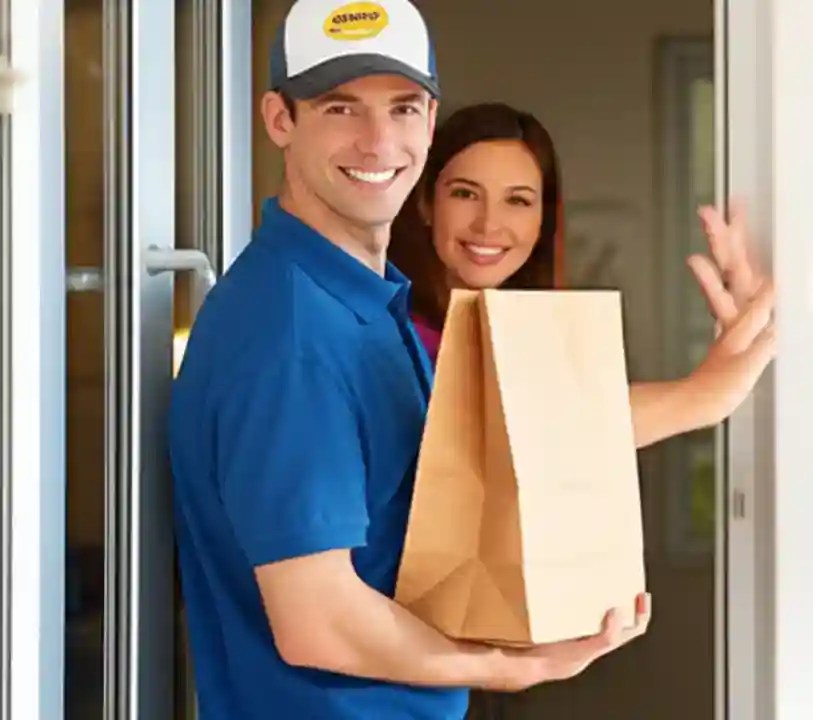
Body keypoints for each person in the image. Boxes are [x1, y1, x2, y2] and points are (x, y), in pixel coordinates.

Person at [169, 3, 648, 719]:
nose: (377, 140)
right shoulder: (290, 334)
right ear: (279, 119)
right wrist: (509, 668)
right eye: (340, 107)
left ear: (429, 121)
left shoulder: (365, 308)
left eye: (402, 108)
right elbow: (318, 620)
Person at [388, 102, 776, 450]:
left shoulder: (533, 339)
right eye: (465, 194)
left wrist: (737, 350)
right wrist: (699, 397)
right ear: (426, 203)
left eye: (518, 200)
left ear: (543, 220)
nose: (489, 224)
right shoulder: (391, 333)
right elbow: (512, 439)